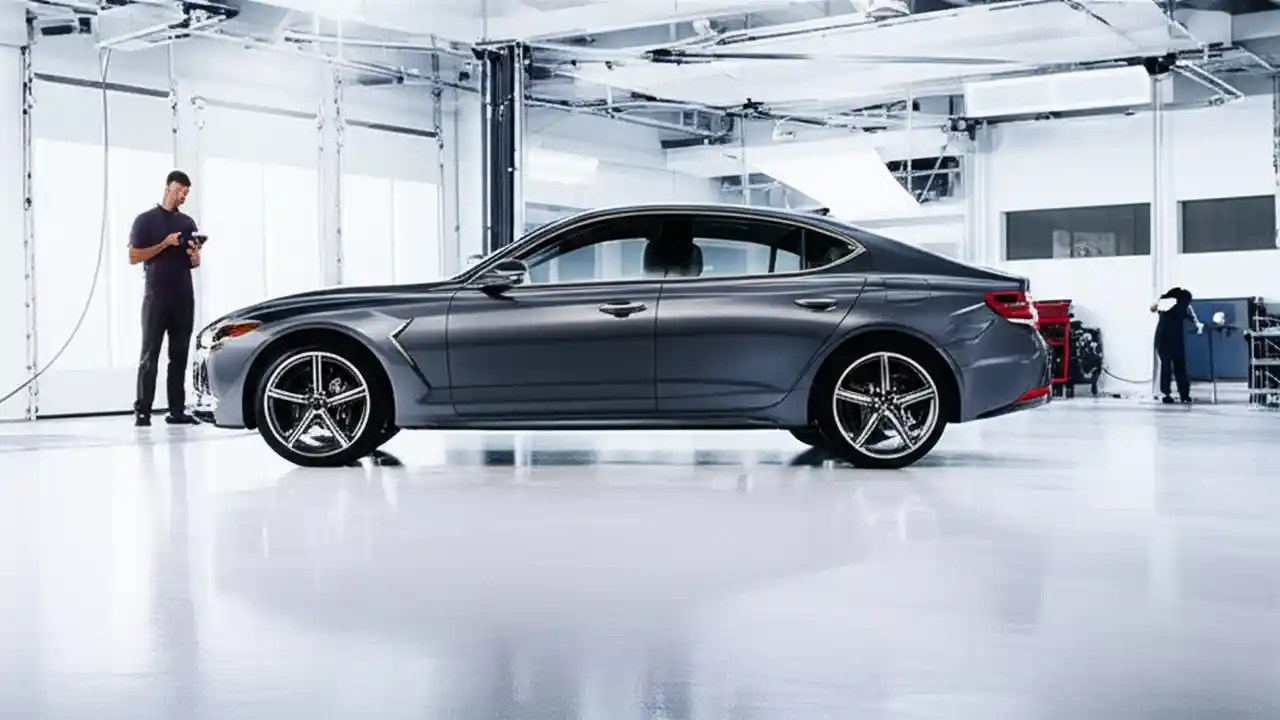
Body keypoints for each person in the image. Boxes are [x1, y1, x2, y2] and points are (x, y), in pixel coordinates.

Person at [128, 170, 203, 427]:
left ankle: (177, 411)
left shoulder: (188, 223)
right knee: (150, 354)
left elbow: (194, 263)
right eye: (180, 190)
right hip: (156, 297)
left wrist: (195, 255)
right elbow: (134, 256)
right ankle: (143, 411)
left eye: (186, 192)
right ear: (168, 187)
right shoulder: (145, 221)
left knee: (179, 355)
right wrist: (165, 243)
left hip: (183, 296)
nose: (183, 195)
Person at [1149, 286, 1202, 405]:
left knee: (1168, 367)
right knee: (1177, 367)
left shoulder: (1166, 304)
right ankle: (1181, 394)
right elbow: (1186, 314)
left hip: (1165, 339)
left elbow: (1154, 308)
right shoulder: (1179, 307)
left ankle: (1168, 393)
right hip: (1170, 339)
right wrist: (1196, 322)